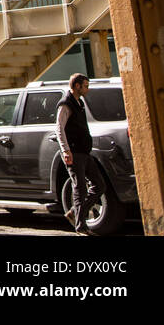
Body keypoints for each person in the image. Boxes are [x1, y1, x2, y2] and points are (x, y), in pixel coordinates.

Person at [57, 73, 103, 233]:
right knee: (80, 188)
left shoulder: (79, 102)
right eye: (86, 86)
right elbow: (59, 128)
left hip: (84, 152)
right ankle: (81, 226)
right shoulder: (66, 104)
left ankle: (74, 213)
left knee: (99, 186)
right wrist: (65, 150)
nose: (87, 89)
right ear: (77, 86)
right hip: (74, 152)